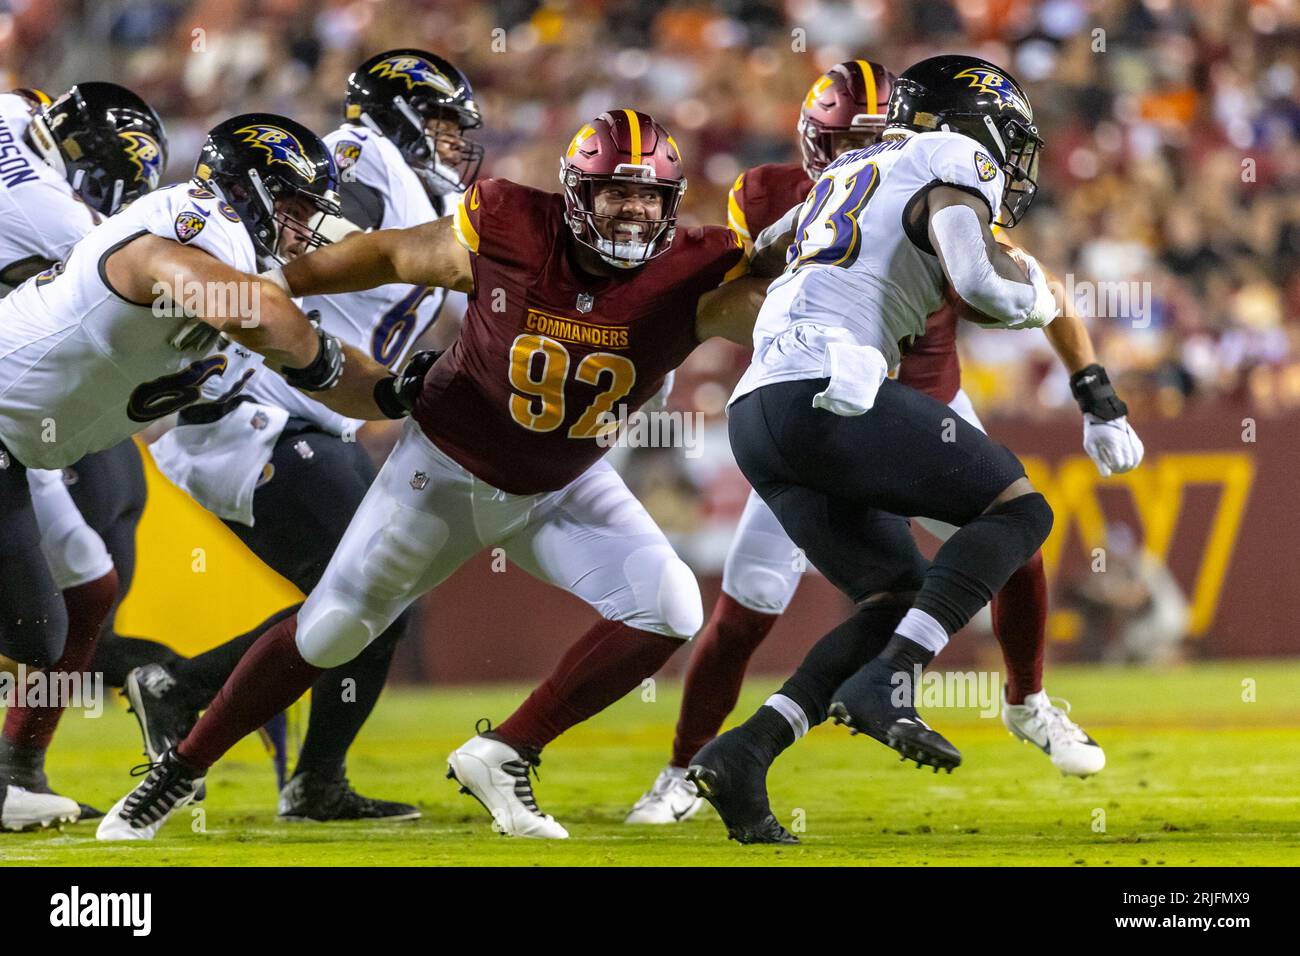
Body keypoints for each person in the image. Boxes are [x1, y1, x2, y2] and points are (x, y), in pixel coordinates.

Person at [94, 107, 774, 842]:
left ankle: (505, 749)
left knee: (669, 606)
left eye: (649, 196)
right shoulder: (512, 228)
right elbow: (388, 256)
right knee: (330, 631)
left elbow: (772, 311)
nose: (634, 211)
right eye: (616, 192)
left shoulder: (696, 268)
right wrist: (277, 280)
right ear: (577, 191)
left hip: (565, 483)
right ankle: (180, 770)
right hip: (445, 470)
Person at [627, 58, 1144, 824]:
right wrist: (1034, 297)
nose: (1011, 158)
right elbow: (980, 285)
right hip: (832, 396)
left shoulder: (843, 174)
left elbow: (765, 253)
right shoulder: (948, 157)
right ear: (965, 123)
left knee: (893, 594)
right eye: (1007, 137)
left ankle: (743, 754)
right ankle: (892, 677)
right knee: (1020, 512)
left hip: (758, 413)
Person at [0, 111, 411, 830]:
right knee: (44, 624)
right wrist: (300, 342)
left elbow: (327, 370)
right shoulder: (195, 220)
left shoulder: (249, 270)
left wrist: (400, 391)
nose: (302, 226)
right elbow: (192, 281)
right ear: (248, 189)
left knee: (38, 633)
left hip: (23, 448)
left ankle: (15, 776)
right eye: (292, 206)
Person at [122, 48, 484, 823]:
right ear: (400, 115)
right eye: (445, 121)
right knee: (368, 588)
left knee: (377, 593)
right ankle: (189, 694)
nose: (456, 140)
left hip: (312, 411)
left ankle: (307, 775)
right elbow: (285, 255)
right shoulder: (363, 159)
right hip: (255, 404)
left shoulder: (417, 188)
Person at [0, 81, 169, 823]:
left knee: (85, 591)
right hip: (14, 399)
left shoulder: (15, 115)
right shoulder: (66, 220)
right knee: (45, 613)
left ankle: (18, 769)